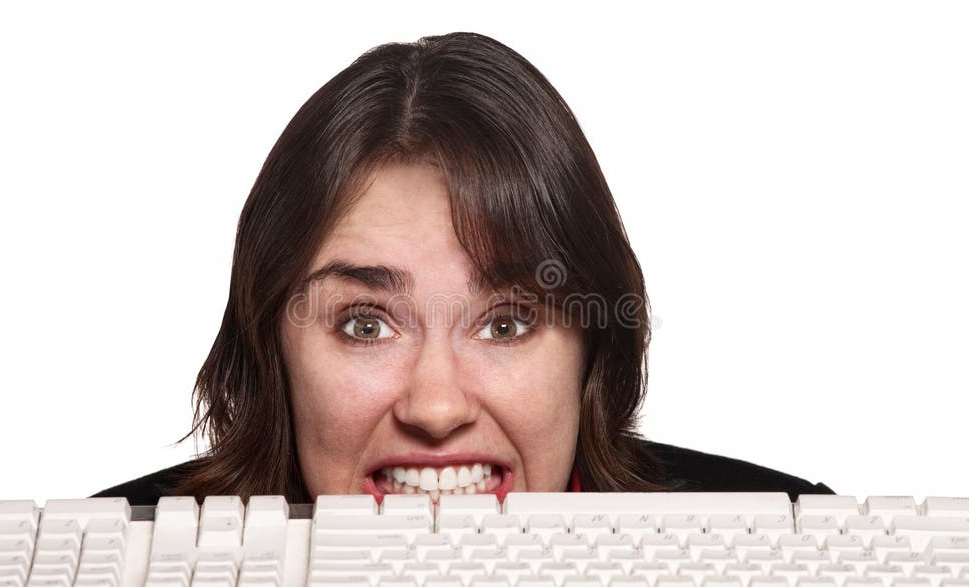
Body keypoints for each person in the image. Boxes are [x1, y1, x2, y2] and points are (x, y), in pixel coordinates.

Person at [95, 32, 833, 505]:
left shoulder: (796, 538)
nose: (437, 408)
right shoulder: (113, 553)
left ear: (592, 356)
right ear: (270, 351)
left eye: (507, 322)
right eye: (364, 324)